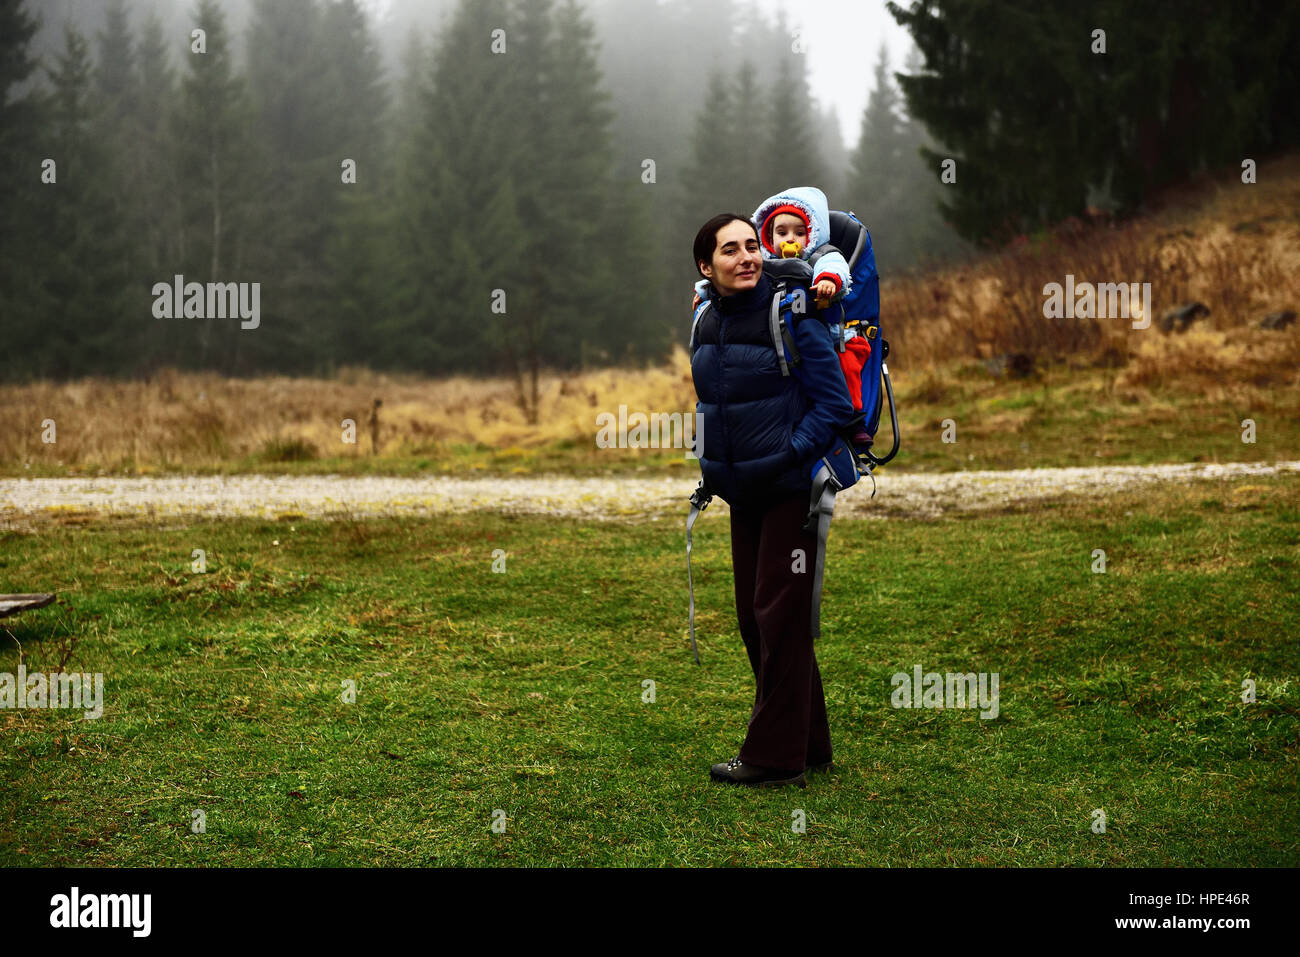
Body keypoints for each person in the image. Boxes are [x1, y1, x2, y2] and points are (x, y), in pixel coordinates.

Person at [690, 212, 857, 789]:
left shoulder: (793, 312)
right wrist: (713, 466)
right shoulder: (706, 321)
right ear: (705, 267)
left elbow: (837, 405)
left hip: (793, 489)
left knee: (778, 617)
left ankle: (774, 757)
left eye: (751, 245)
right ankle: (809, 744)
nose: (747, 257)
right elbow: (715, 404)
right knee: (754, 619)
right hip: (745, 492)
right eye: (729, 250)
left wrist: (791, 451)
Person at [694, 186, 873, 446]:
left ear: (813, 234)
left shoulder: (821, 254)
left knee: (845, 370)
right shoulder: (761, 266)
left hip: (829, 329)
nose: (792, 239)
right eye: (782, 232)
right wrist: (703, 292)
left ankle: (856, 422)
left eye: (800, 233)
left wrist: (828, 280)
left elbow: (835, 268)